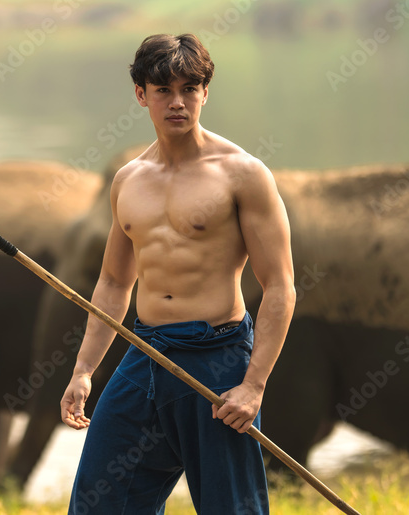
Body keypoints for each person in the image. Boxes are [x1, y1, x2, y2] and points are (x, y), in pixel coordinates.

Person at [62, 33, 295, 514]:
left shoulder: (243, 174)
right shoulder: (128, 180)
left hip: (217, 358)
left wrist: (253, 385)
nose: (177, 102)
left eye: (190, 89)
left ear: (205, 93)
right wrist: (84, 370)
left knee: (231, 508)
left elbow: (279, 286)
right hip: (145, 353)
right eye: (164, 90)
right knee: (99, 502)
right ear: (141, 94)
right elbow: (114, 282)